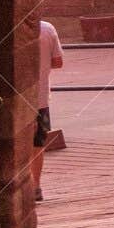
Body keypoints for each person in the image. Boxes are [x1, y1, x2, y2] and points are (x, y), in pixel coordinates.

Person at [34, 19, 64, 203]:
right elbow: (58, 62)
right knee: (36, 145)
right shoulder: (47, 28)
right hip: (40, 98)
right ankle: (35, 185)